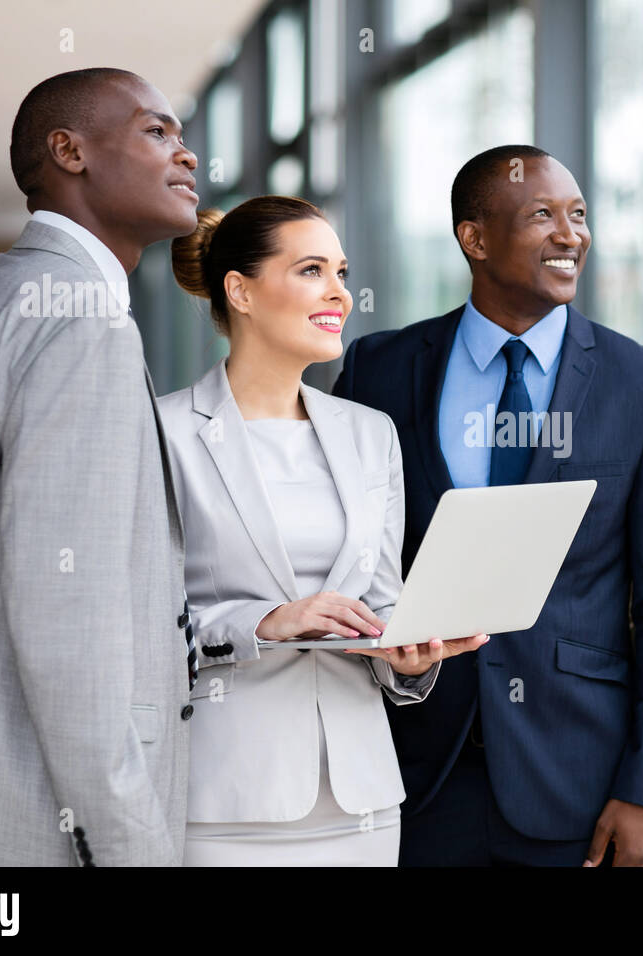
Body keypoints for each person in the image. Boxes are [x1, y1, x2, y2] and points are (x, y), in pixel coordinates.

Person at [332, 145, 643, 867]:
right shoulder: (378, 368)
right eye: (543, 215)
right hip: (411, 771)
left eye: (579, 216)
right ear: (474, 238)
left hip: (577, 781)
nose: (571, 235)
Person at [0, 68, 202, 865]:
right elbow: (66, 616)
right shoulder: (86, 322)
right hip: (54, 816)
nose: (188, 156)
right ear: (69, 151)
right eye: (157, 132)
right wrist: (128, 842)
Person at [160, 196, 487, 866]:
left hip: (360, 802)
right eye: (312, 270)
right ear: (240, 291)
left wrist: (410, 656)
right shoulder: (163, 435)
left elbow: (383, 599)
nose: (339, 291)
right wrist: (266, 621)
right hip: (225, 799)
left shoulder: (371, 434)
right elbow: (136, 627)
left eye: (341, 272)